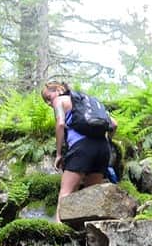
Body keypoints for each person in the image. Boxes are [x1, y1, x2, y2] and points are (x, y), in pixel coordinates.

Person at [41, 80, 114, 214]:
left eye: (48, 98)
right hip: (103, 149)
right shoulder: (90, 102)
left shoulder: (60, 100)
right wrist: (108, 142)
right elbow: (114, 124)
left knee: (65, 194)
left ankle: (59, 232)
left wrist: (58, 154)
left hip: (81, 148)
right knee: (91, 196)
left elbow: (61, 124)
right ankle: (87, 233)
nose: (48, 103)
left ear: (58, 90)